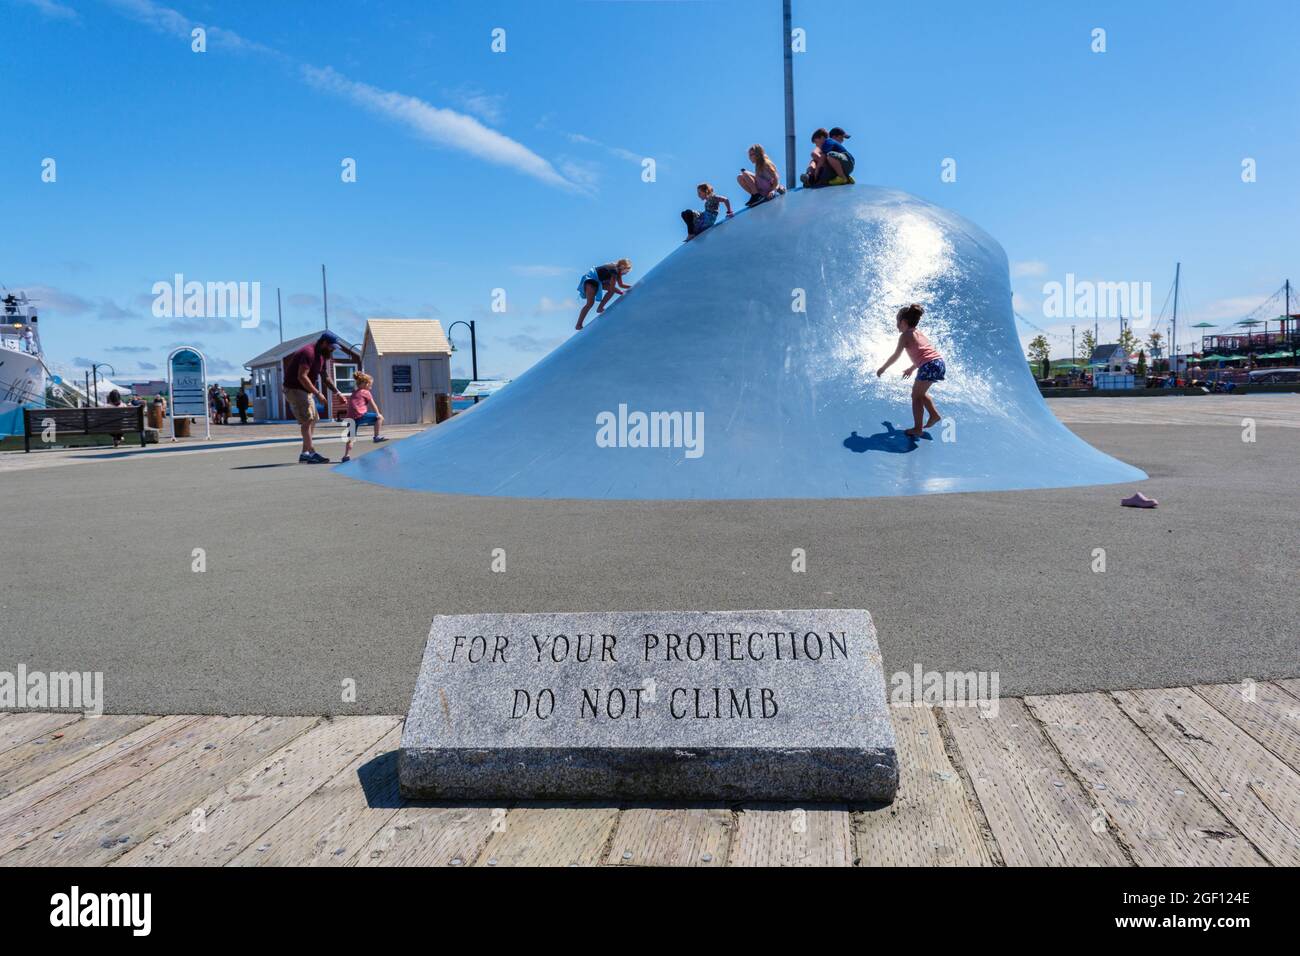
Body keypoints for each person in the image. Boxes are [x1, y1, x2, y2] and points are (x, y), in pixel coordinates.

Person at [876, 303, 945, 439]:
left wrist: (883, 368)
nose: (896, 324)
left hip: (928, 366)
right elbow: (924, 354)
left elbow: (896, 355)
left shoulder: (905, 336)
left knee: (915, 396)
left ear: (903, 321)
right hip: (938, 363)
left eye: (897, 321)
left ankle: (918, 429)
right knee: (921, 393)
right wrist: (912, 368)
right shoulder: (918, 333)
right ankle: (934, 415)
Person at [283, 330, 348, 463]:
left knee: (313, 419)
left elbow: (325, 376)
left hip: (304, 390)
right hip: (294, 388)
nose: (332, 350)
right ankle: (310, 452)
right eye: (331, 347)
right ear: (324, 343)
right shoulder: (309, 352)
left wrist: (338, 392)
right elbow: (302, 376)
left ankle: (305, 452)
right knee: (307, 419)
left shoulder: (322, 355)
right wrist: (318, 394)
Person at [340, 371, 387, 463]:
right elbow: (373, 405)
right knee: (380, 418)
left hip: (350, 418)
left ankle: (346, 456)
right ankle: (376, 436)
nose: (371, 387)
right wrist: (378, 414)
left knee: (351, 438)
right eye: (370, 385)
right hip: (360, 415)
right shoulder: (366, 392)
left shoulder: (354, 392)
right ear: (364, 384)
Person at [576, 259, 633, 330]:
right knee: (590, 303)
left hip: (599, 282)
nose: (626, 273)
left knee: (611, 291)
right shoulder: (614, 270)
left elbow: (621, 285)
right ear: (622, 267)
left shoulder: (618, 273)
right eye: (626, 271)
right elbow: (612, 287)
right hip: (591, 281)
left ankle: (600, 308)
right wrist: (621, 293)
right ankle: (578, 325)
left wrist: (632, 287)